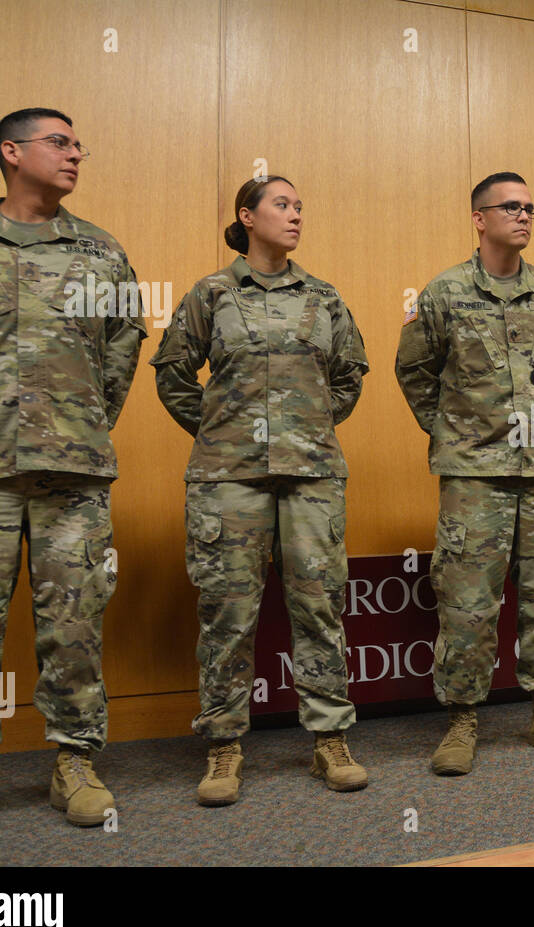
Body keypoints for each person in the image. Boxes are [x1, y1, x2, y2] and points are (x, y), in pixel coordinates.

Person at [0, 108, 145, 850]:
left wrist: (78, 424)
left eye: (79, 141)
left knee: (74, 622)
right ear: (11, 152)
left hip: (72, 472)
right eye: (60, 141)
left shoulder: (102, 252)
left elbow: (120, 353)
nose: (78, 152)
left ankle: (74, 762)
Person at [151, 176, 369, 803]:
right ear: (247, 216)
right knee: (227, 612)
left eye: (301, 205)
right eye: (282, 205)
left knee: (320, 607)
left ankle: (330, 739)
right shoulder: (212, 293)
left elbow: (351, 376)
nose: (296, 215)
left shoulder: (323, 297)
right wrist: (220, 430)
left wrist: (310, 426)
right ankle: (222, 747)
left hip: (312, 478)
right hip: (229, 479)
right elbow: (171, 371)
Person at [395, 171, 534, 776]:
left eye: (530, 207)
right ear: (478, 218)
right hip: (474, 475)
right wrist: (454, 433)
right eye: (510, 206)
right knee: (467, 601)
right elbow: (414, 371)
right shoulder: (443, 292)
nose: (524, 216)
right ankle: (462, 719)